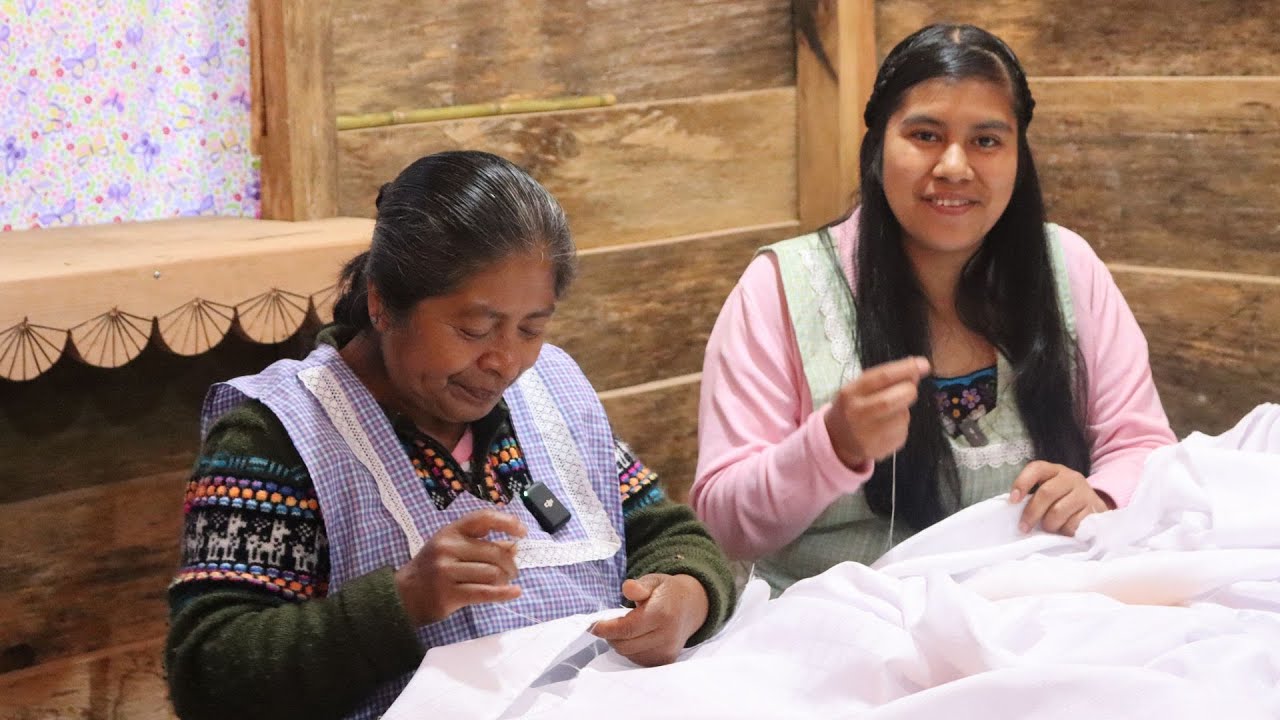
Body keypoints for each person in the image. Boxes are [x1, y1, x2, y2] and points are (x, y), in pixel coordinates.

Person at [165, 151, 737, 720]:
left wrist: (687, 595)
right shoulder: (279, 435)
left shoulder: (551, 397)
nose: (506, 361)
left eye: (532, 329)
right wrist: (403, 601)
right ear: (383, 304)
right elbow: (209, 677)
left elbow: (664, 531)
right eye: (474, 329)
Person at [691, 24, 1176, 594]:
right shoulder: (779, 287)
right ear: (877, 146)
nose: (954, 166)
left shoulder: (1067, 264)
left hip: (1039, 608)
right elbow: (723, 524)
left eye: (986, 141)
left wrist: (1101, 494)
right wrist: (830, 446)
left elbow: (1143, 445)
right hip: (839, 629)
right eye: (925, 135)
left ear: (1019, 154)